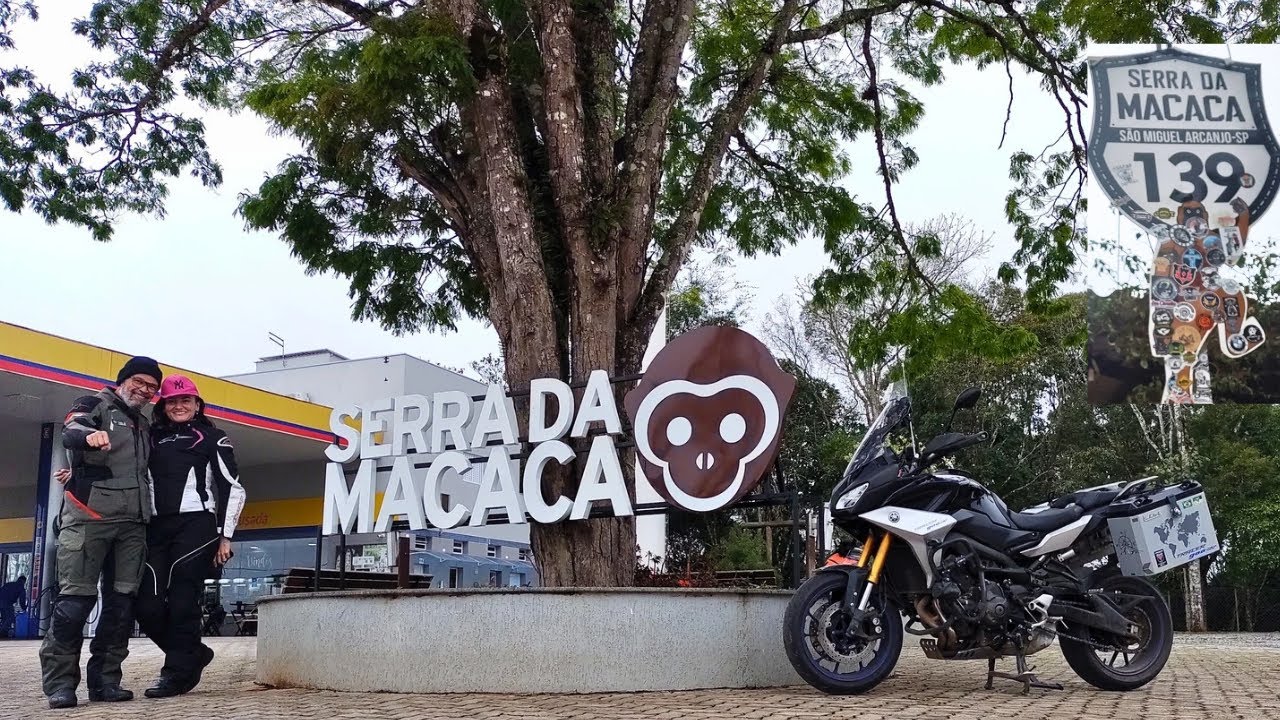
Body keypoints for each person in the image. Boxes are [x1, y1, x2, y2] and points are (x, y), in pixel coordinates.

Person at [40, 356, 162, 709]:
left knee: (121, 605)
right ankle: (60, 684)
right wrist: (88, 436)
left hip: (133, 524)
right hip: (89, 518)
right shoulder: (93, 404)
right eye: (139, 381)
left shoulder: (144, 422)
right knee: (74, 604)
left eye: (152, 387)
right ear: (124, 379)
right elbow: (71, 429)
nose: (145, 390)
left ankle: (106, 681)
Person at [135, 374, 245, 698]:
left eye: (186, 400)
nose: (180, 406)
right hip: (155, 529)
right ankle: (193, 654)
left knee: (184, 603)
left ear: (197, 404)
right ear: (163, 405)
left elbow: (233, 488)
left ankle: (177, 676)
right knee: (145, 607)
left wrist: (226, 536)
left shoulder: (213, 437)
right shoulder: (149, 437)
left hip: (197, 528)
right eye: (173, 401)